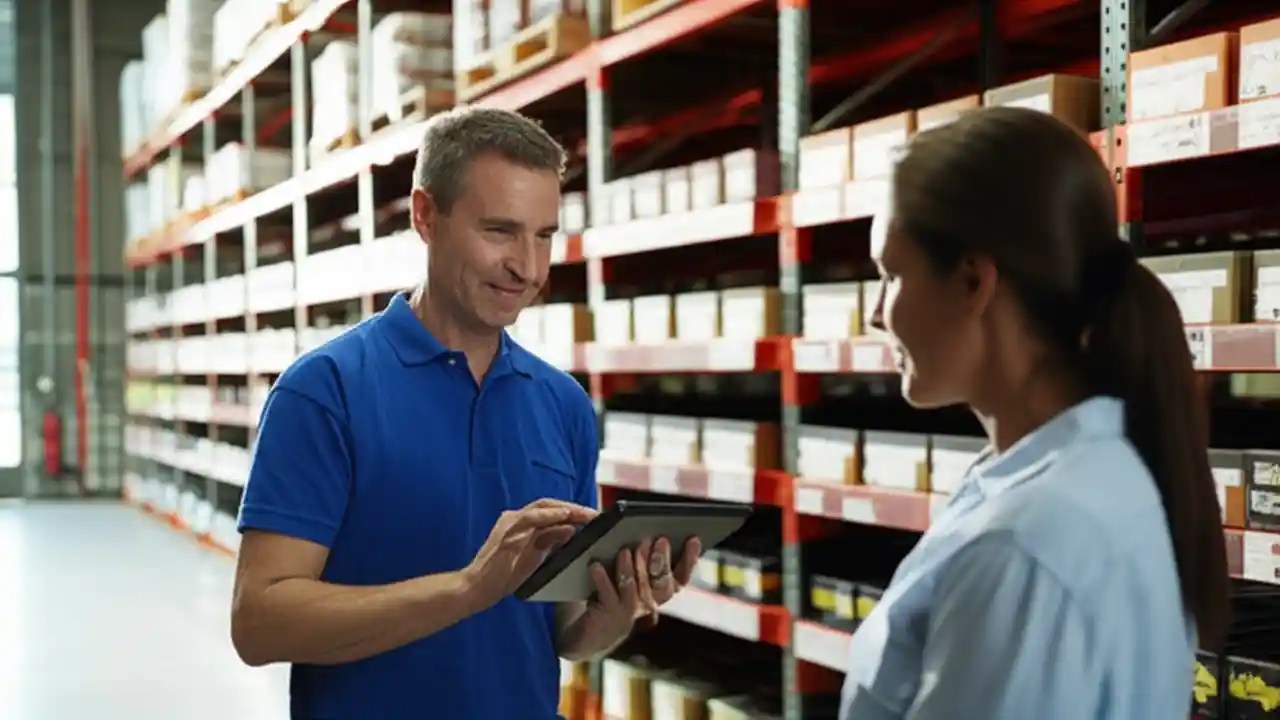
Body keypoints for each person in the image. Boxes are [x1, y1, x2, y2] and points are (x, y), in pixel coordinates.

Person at [230, 106, 702, 719]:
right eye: (500, 231)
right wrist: (467, 589)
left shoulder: (563, 405)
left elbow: (562, 632)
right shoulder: (325, 391)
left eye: (544, 236)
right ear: (426, 216)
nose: (528, 268)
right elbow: (259, 623)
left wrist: (614, 612)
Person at [839, 106, 1229, 719]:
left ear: (973, 282)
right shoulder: (1099, 470)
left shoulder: (1021, 546)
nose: (875, 314)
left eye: (891, 275)